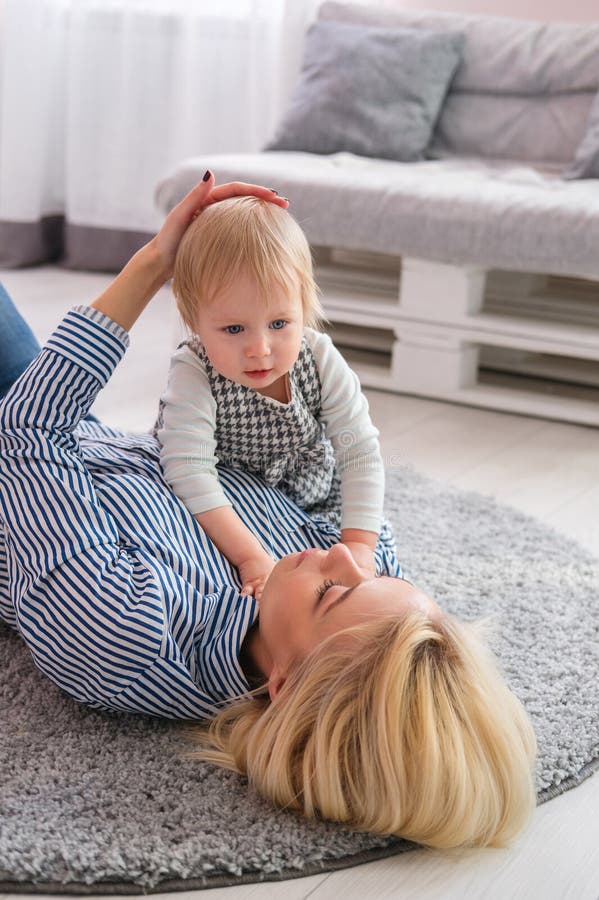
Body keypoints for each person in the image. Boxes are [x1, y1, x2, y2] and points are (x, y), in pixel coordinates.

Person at [0, 173, 537, 850]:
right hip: (81, 434)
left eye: (334, 594)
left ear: (281, 684)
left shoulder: (131, 635)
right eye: (373, 574)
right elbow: (349, 469)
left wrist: (157, 262)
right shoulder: (349, 579)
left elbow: (24, 433)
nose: (342, 555)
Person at [153, 194, 390, 600]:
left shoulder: (318, 357)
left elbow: (360, 451)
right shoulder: (194, 369)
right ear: (193, 319)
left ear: (304, 305)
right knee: (208, 577)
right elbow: (189, 469)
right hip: (224, 501)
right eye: (233, 329)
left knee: (377, 564)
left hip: (310, 493)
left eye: (279, 323)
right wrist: (249, 557)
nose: (260, 349)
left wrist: (359, 546)